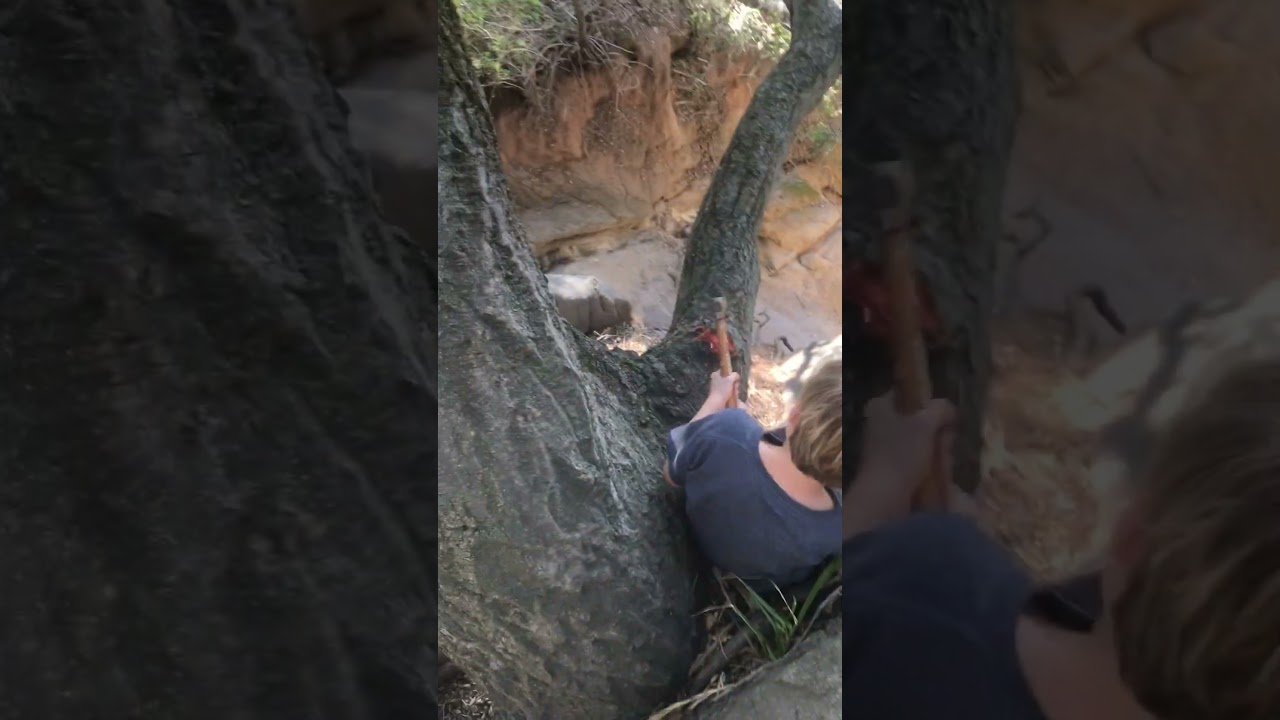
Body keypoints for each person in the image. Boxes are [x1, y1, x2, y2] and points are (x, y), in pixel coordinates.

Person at [842, 359, 1280, 720]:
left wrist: (886, 479)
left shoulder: (931, 583)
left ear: (1134, 535)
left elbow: (823, 618)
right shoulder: (943, 573)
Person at [663, 359, 842, 589]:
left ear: (795, 416)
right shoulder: (835, 529)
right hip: (743, 594)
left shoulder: (726, 432)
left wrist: (717, 401)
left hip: (695, 542)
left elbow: (671, 473)